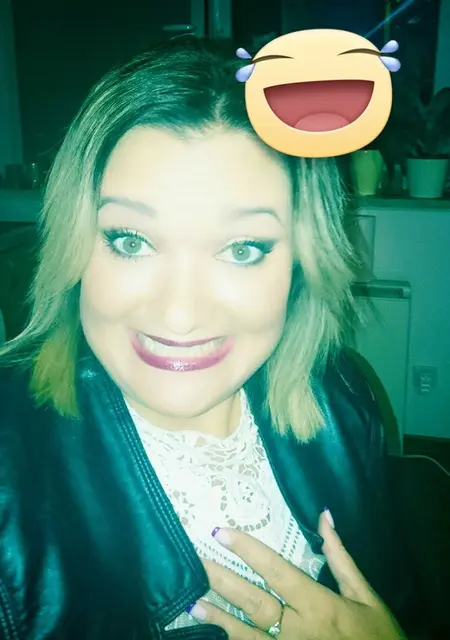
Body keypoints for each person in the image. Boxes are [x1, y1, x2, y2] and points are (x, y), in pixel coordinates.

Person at [0, 37, 423, 640]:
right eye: (130, 240)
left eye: (242, 249)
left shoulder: (342, 397)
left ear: (302, 262)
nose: (179, 316)